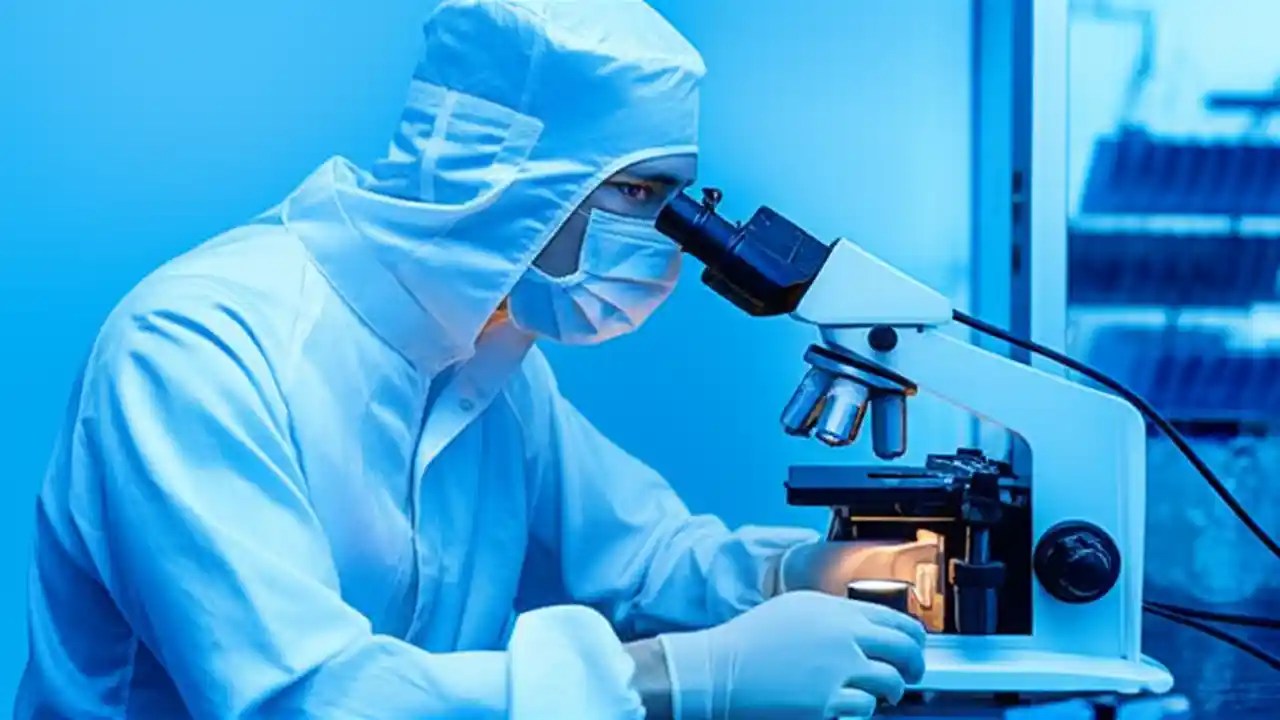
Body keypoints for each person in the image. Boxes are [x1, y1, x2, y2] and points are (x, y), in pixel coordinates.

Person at [17, 1, 926, 718]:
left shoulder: (492, 359)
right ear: (515, 181)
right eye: (639, 194)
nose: (667, 240)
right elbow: (305, 698)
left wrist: (797, 572)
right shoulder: (195, 350)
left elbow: (643, 558)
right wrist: (678, 680)